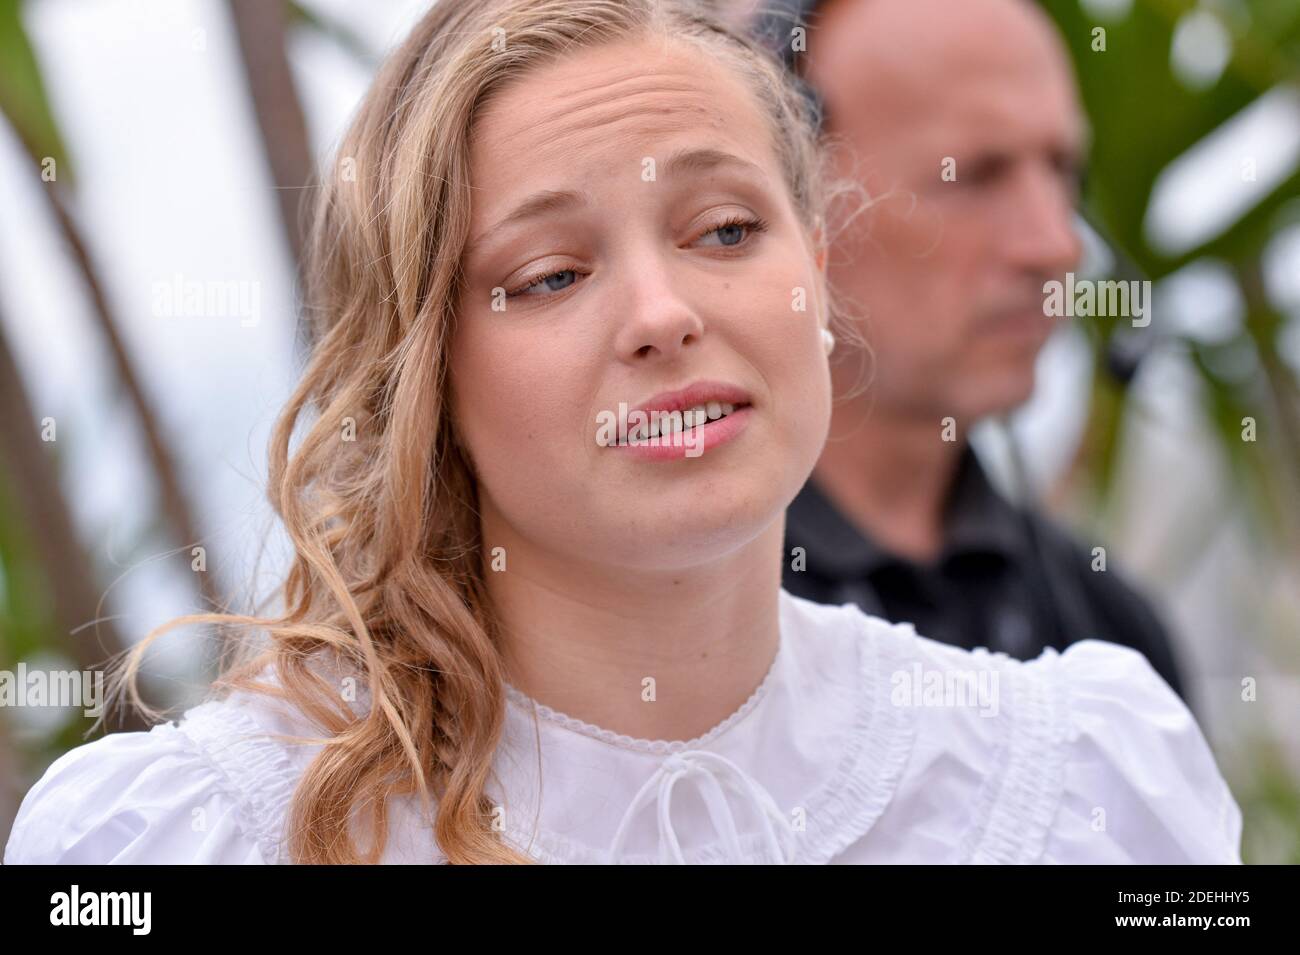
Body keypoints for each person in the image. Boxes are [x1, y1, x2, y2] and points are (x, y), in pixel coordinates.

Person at [4, 0, 1237, 865]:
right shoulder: (189, 839)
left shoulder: (1083, 775)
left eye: (724, 231)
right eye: (547, 273)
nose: (661, 314)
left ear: (817, 266)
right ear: (421, 370)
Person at [744, 0, 1189, 701]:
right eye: (977, 175)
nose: (1056, 245)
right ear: (788, 202)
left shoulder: (1112, 637)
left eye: (1063, 170)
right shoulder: (677, 615)